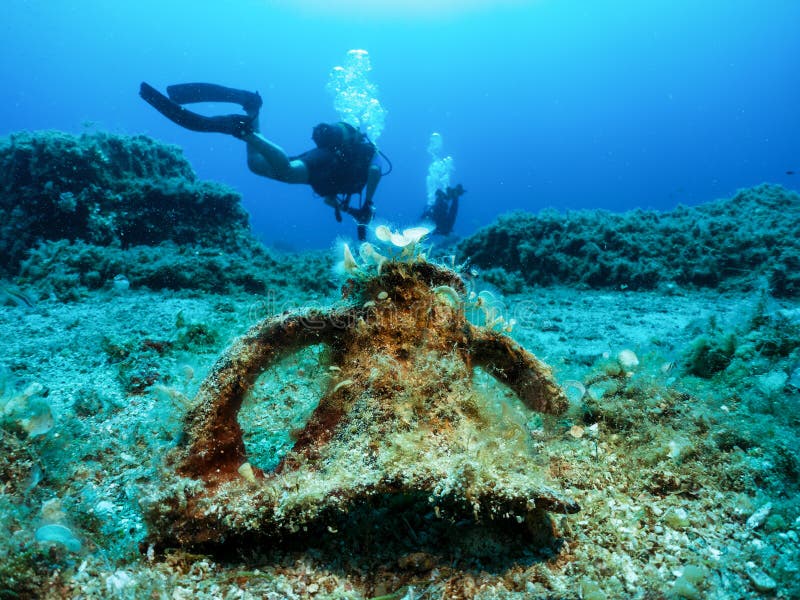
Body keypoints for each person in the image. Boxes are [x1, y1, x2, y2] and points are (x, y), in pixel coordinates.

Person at [139, 82, 381, 240]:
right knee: (286, 170)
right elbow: (375, 171)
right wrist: (368, 204)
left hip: (324, 169)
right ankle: (243, 130)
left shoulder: (350, 171)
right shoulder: (369, 155)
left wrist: (354, 212)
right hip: (326, 164)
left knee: (255, 164)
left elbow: (329, 199)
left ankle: (252, 109)